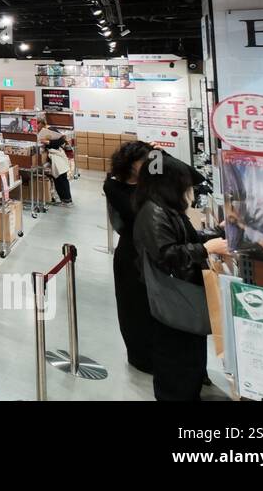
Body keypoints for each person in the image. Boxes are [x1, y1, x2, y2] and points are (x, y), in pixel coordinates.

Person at [133, 151, 228, 401]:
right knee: (176, 356)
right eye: (183, 183)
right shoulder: (153, 212)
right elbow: (166, 254)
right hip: (172, 298)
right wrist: (206, 249)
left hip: (181, 296)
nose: (188, 189)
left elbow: (184, 238)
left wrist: (213, 235)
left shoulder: (165, 209)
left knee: (188, 354)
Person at [103, 141, 158, 373]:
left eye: (150, 160)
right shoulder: (114, 187)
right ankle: (141, 357)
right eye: (142, 160)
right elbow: (136, 215)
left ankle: (160, 354)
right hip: (131, 253)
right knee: (132, 307)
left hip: (157, 252)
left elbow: (190, 176)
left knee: (155, 306)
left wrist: (161, 155)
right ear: (129, 162)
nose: (147, 165)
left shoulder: (152, 182)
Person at [38, 127, 72, 204]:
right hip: (53, 159)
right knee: (59, 179)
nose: (37, 126)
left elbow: (61, 140)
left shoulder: (51, 129)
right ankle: (64, 198)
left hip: (58, 158)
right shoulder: (38, 135)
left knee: (61, 178)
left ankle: (66, 199)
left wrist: (48, 142)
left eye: (38, 124)